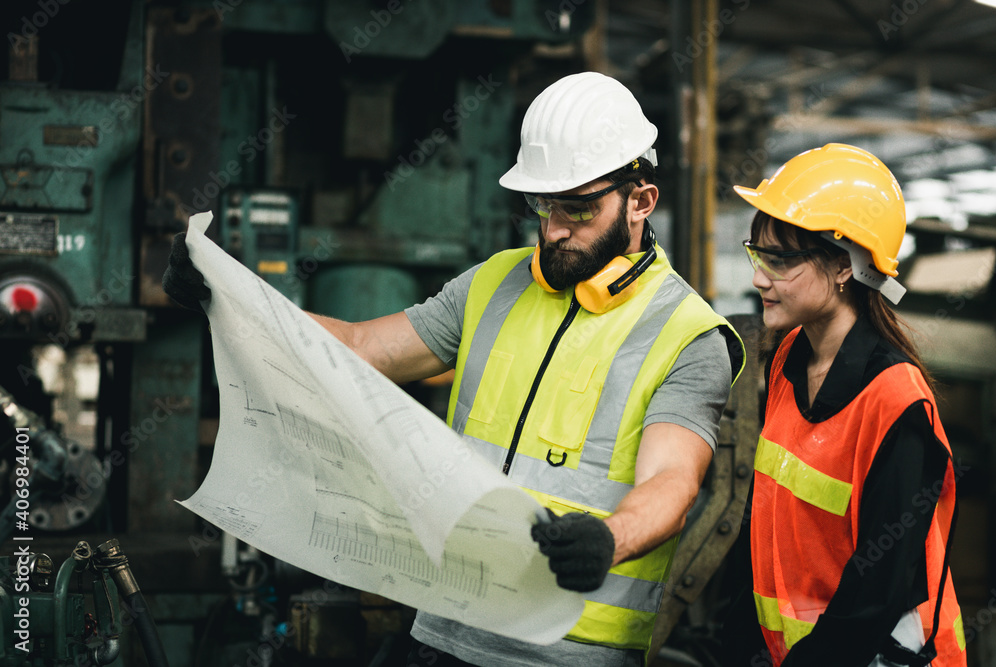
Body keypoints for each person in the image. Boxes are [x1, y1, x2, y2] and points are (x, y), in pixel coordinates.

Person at [164, 71, 745, 666]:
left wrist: (610, 539)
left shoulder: (688, 336)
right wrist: (227, 295)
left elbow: (672, 483)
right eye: (541, 206)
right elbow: (362, 346)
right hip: (445, 631)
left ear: (641, 200)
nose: (554, 229)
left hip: (570, 650)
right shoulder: (495, 282)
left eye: (578, 209)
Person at [730, 143, 966, 666]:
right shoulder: (789, 358)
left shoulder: (896, 401)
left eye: (779, 261)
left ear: (842, 267)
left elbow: (880, 591)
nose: (757, 278)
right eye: (757, 254)